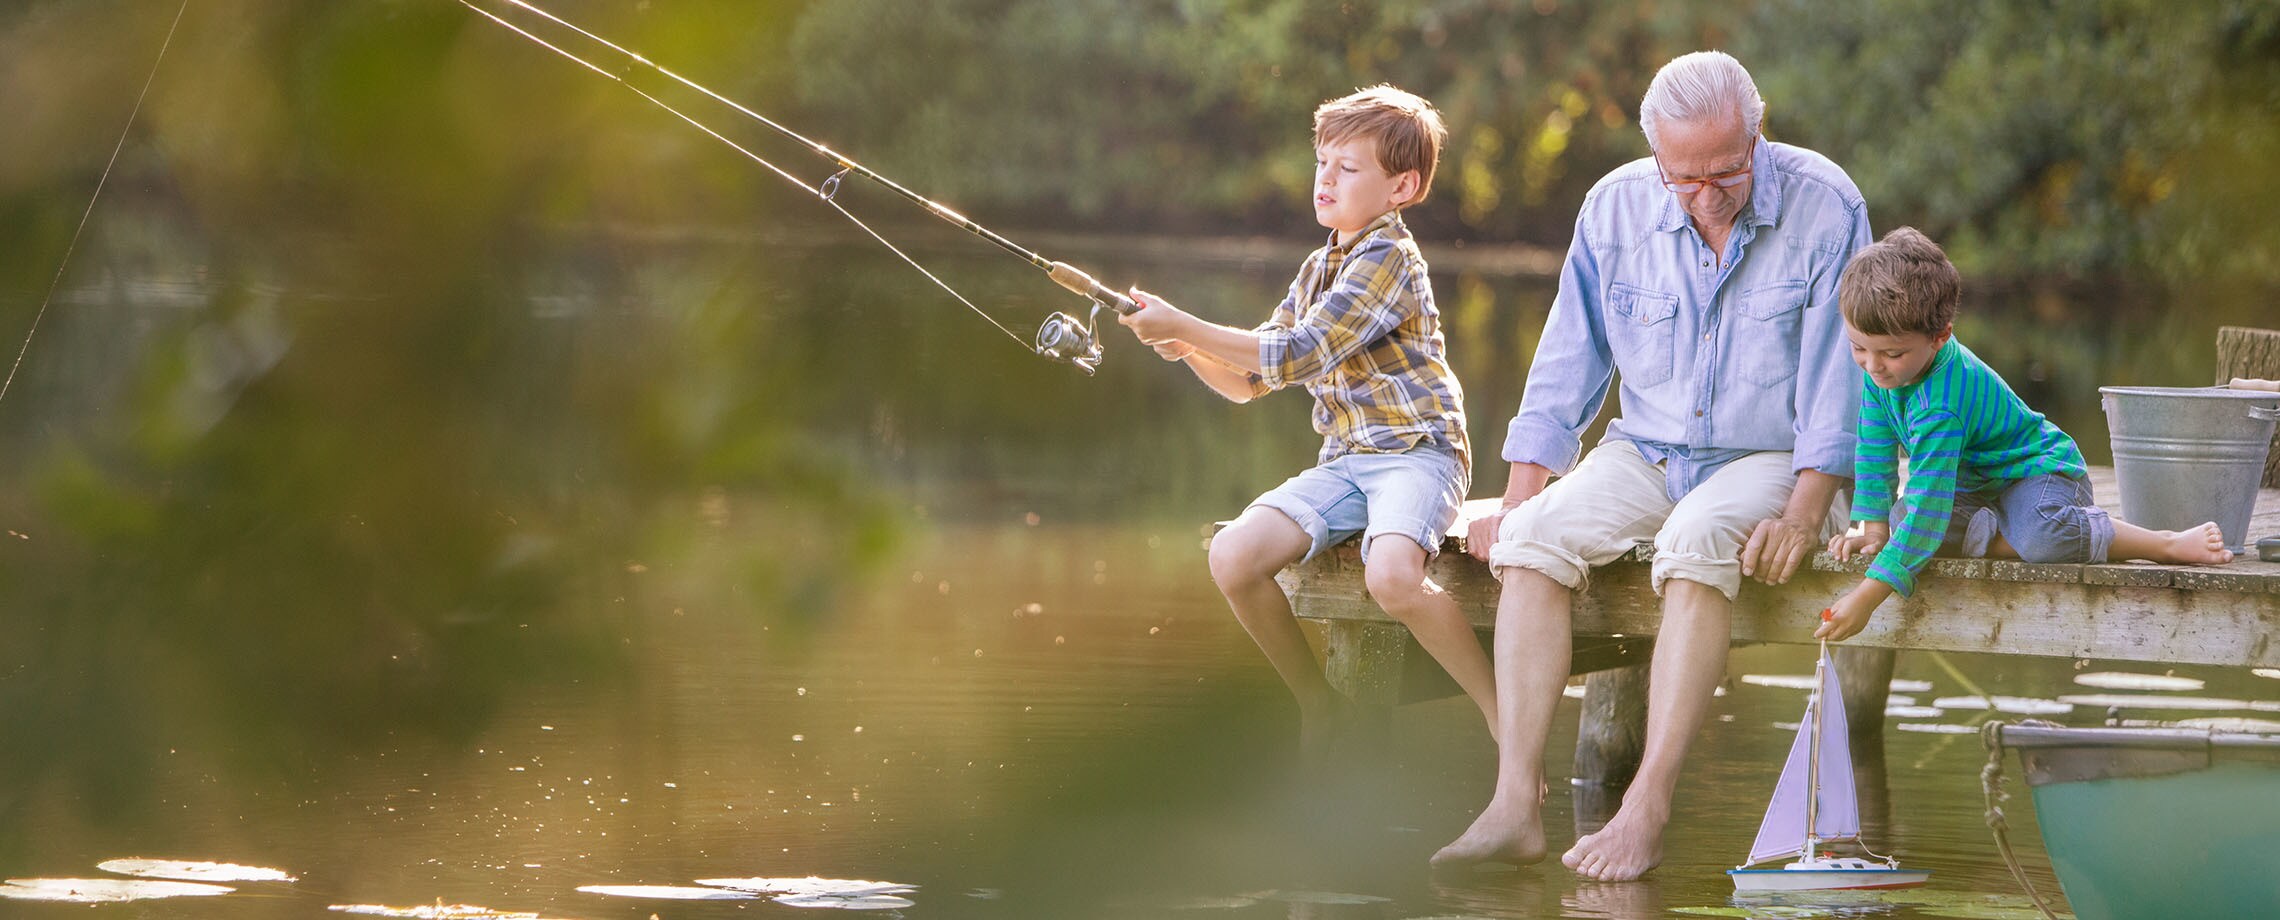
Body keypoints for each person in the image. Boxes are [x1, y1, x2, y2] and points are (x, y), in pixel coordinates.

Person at [1432, 51, 1871, 881]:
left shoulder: (1827, 205)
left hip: (1769, 456)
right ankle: (1513, 804)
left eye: (1726, 172)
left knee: (1698, 540)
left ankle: (1647, 805)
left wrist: (1807, 510)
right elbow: (1568, 361)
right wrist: (1518, 498)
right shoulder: (1614, 207)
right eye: (1684, 178)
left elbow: (1838, 382)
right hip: (1646, 448)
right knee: (1533, 540)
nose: (1705, 196)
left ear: (1757, 132)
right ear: (1656, 156)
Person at [1115, 85, 1494, 756]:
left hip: (1418, 454)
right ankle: (1321, 707)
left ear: (1400, 186)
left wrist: (1185, 322)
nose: (1326, 178)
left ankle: (1503, 716)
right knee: (1232, 555)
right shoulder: (1319, 267)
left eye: (1348, 168)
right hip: (1348, 462)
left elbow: (1299, 353)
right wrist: (1184, 347)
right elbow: (1250, 381)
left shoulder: (1391, 260)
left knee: (1393, 576)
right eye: (1323, 162)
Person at [1816, 227, 2233, 641]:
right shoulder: (1882, 375)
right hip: (1974, 489)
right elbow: (1873, 447)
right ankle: (2006, 527)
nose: (1872, 366)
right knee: (1901, 521)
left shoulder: (1940, 404)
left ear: (1940, 336)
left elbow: (1929, 505)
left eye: (1892, 353)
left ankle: (2165, 544)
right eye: (1859, 348)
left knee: (2041, 537)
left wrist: (1868, 596)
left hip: (2038, 473)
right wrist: (1871, 531)